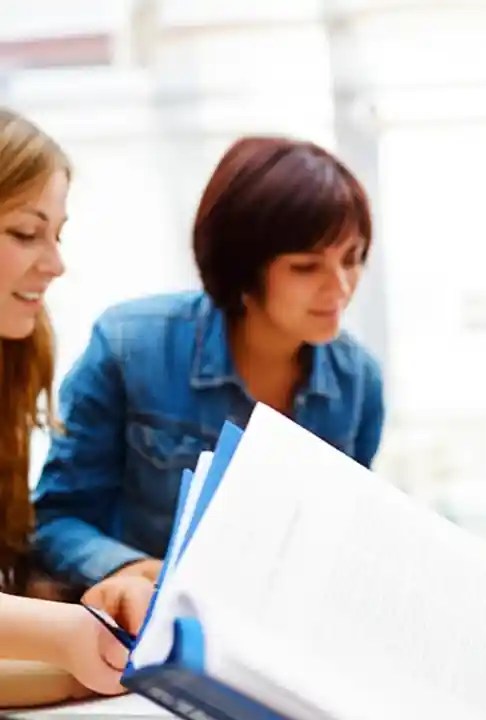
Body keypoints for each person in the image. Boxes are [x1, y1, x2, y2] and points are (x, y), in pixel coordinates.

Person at [33, 136, 386, 589]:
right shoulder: (131, 346)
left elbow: (343, 538)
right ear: (243, 265)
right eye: (306, 266)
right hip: (143, 629)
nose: (340, 287)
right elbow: (58, 519)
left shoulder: (359, 383)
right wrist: (131, 571)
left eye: (352, 259)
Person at [0, 107, 156, 698]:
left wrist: (100, 595)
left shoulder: (15, 355)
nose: (56, 264)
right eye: (25, 232)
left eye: (57, 234)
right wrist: (69, 640)